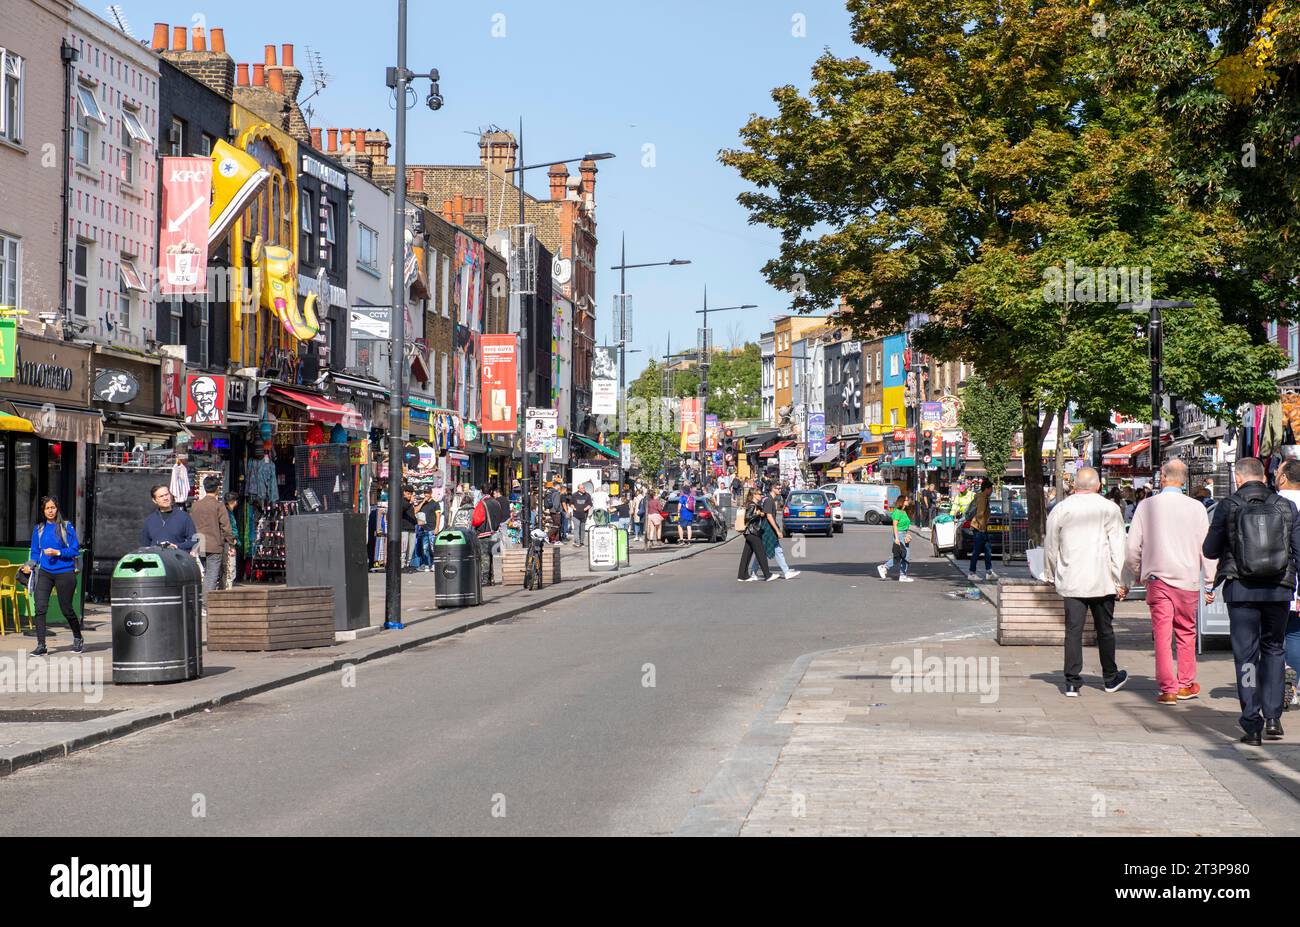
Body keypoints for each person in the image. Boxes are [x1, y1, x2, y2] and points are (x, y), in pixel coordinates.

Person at [1202, 456, 1300, 745]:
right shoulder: (1286, 507)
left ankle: (1251, 720)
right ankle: (1273, 716)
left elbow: (1210, 550)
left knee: (1246, 655)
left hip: (1241, 591)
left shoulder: (1229, 505)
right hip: (1278, 590)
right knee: (1274, 649)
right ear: (1264, 476)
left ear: (1239, 477)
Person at [1119, 459, 1217, 705]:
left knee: (1162, 635)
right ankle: (1186, 683)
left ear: (1162, 477)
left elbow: (1132, 547)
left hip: (1158, 579)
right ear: (1184, 480)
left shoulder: (1147, 506)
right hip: (1187, 580)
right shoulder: (1196, 508)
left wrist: (1139, 570)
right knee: (1186, 632)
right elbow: (1207, 549)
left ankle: (1168, 689)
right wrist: (1210, 581)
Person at [1043, 466, 1129, 697]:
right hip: (1102, 578)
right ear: (1098, 485)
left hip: (1072, 578)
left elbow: (1051, 546)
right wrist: (1122, 580)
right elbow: (1118, 548)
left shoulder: (1061, 509)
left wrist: (1050, 573)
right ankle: (1110, 677)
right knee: (1105, 630)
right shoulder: (1109, 508)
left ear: (1075, 486)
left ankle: (1072, 681)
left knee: (1073, 631)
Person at [23, 496, 85, 655]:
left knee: (67, 609)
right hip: (44, 572)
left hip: (65, 572)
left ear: (57, 509)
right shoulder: (39, 529)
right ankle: (41, 645)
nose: (50, 511)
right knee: (40, 608)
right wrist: (29, 565)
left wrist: (58, 552)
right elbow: (35, 553)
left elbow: (74, 551)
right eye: (47, 508)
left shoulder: (66, 527)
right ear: (43, 511)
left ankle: (78, 638)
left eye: (53, 507)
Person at [1273, 459, 1300, 711]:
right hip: (1297, 582)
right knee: (1295, 633)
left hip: (1276, 580)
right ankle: (1294, 686)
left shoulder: (1274, 504)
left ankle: (1280, 679)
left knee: (1273, 636)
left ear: (1283, 478)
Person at [191, 475, 235, 598]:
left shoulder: (195, 505)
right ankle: (205, 603)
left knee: (206, 573)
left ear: (204, 488)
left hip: (199, 544)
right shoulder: (219, 506)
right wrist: (231, 541)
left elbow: (192, 525)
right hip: (214, 545)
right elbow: (226, 527)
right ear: (217, 489)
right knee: (211, 575)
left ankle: (204, 601)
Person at [751, 483, 800, 579]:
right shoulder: (769, 500)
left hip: (766, 528)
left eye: (780, 488)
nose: (780, 489)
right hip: (768, 528)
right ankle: (785, 572)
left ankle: (754, 572)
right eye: (778, 488)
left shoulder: (767, 499)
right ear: (773, 489)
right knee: (765, 551)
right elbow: (769, 516)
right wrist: (777, 530)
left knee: (769, 550)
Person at [141, 484, 198, 551]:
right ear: (154, 500)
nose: (165, 498)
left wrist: (177, 546)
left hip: (177, 559)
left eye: (167, 494)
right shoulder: (149, 520)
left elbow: (194, 540)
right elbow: (145, 546)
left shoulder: (183, 517)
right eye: (161, 496)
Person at [737, 488, 775, 582]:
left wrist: (760, 513)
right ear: (754, 495)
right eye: (759, 494)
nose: (761, 496)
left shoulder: (753, 505)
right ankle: (768, 575)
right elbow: (748, 517)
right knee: (761, 553)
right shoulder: (752, 505)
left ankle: (742, 576)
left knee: (746, 555)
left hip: (749, 533)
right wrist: (757, 514)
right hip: (753, 532)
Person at [878, 494, 914, 582]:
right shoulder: (897, 512)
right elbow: (895, 526)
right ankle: (899, 574)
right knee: (904, 555)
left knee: (901, 556)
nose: (907, 501)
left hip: (904, 534)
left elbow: (905, 525)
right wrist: (897, 538)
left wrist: (908, 534)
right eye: (906, 500)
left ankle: (887, 568)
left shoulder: (904, 512)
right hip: (899, 535)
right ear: (902, 502)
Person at [966, 480, 997, 581]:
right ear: (987, 489)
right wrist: (982, 528)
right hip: (979, 528)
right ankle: (972, 573)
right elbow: (980, 515)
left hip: (981, 528)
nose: (992, 491)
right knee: (976, 551)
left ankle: (989, 572)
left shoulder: (984, 497)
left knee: (987, 550)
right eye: (991, 489)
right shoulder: (982, 498)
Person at [222, 492, 241, 588]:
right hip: (229, 542)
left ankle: (227, 587)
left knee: (229, 567)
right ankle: (227, 588)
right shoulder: (226, 513)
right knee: (230, 567)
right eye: (235, 501)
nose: (237, 503)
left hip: (229, 542)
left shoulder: (228, 512)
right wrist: (233, 538)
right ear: (232, 501)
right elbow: (228, 528)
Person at [570, 482, 593, 547]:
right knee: (576, 528)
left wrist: (586, 508)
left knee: (582, 528)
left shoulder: (587, 495)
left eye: (584, 488)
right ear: (578, 489)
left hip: (584, 514)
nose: (583, 489)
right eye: (582, 488)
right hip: (576, 514)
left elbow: (590, 504)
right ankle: (577, 542)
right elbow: (571, 503)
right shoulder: (574, 495)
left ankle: (582, 542)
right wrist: (574, 508)